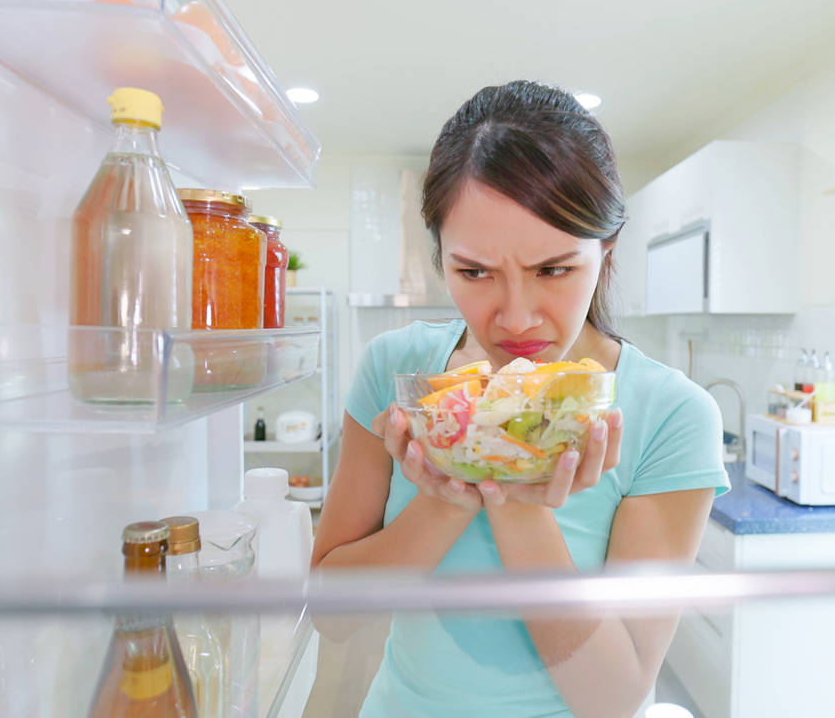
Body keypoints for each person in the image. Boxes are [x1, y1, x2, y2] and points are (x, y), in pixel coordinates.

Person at [311, 80, 730, 718]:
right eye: (474, 272)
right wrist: (448, 491)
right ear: (441, 259)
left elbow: (613, 698)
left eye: (553, 270)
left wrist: (511, 486)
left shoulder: (672, 416)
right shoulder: (401, 376)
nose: (516, 317)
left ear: (605, 252)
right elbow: (333, 617)